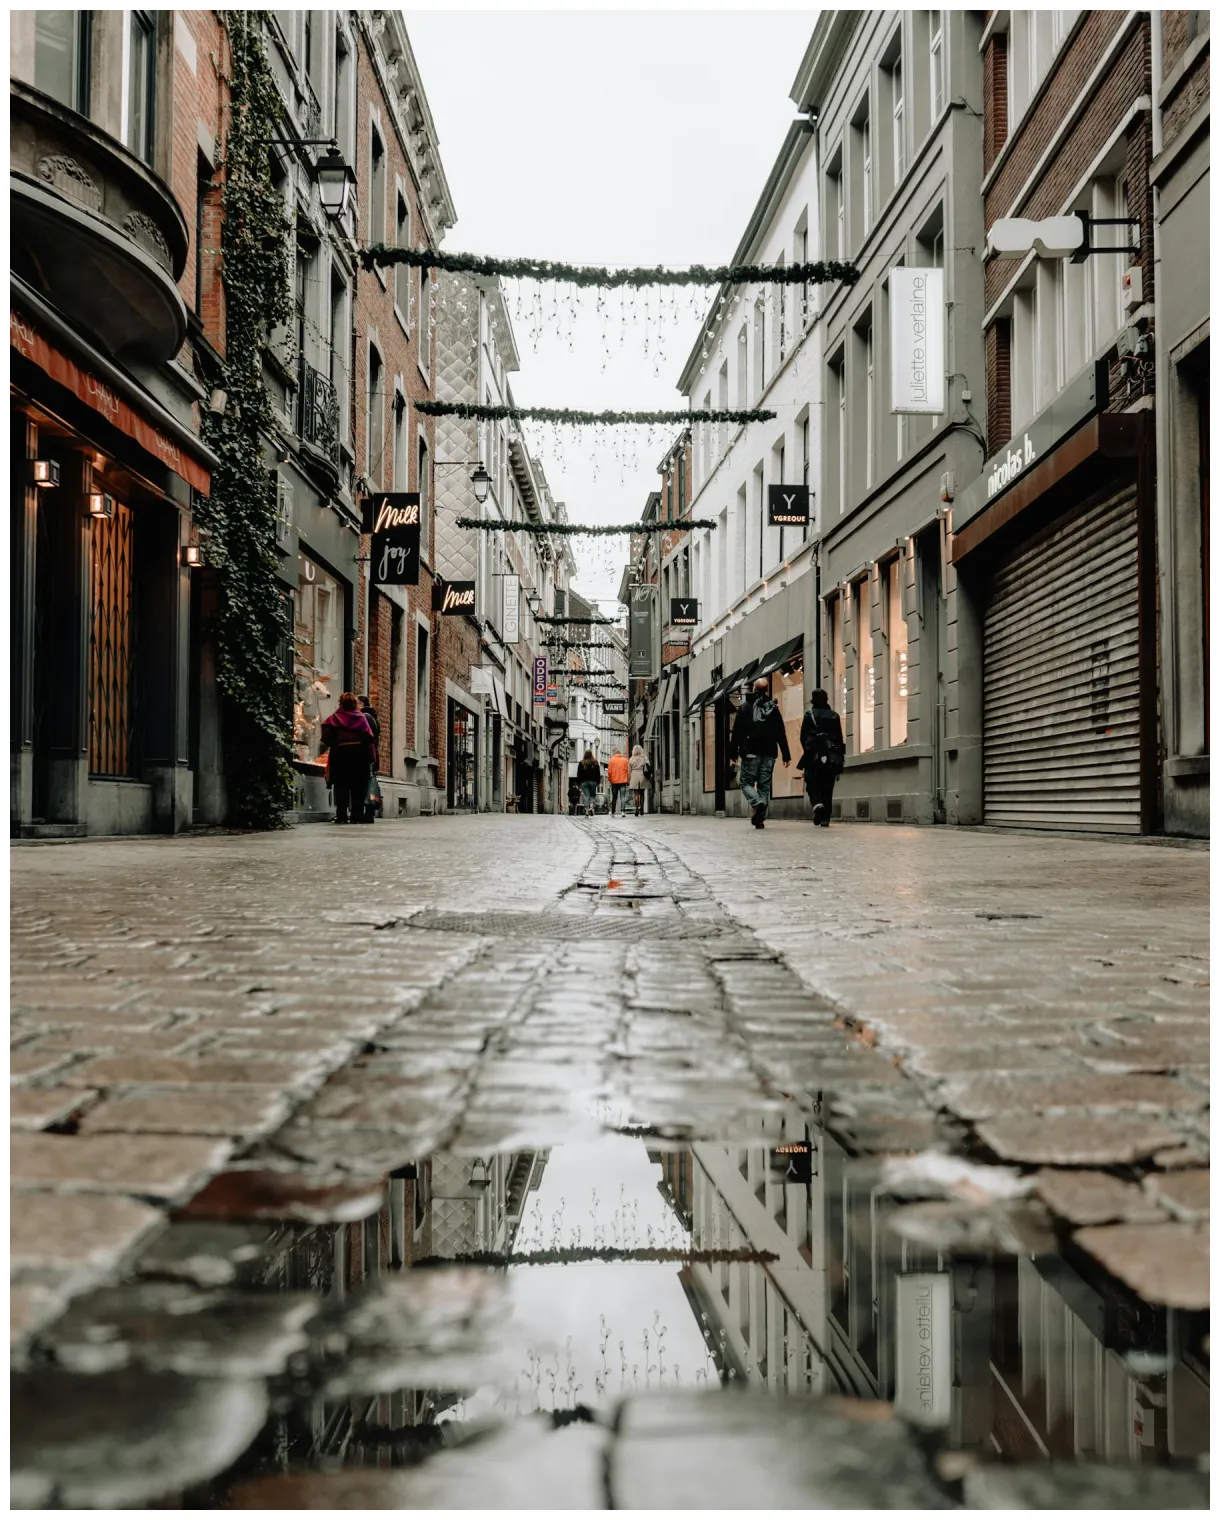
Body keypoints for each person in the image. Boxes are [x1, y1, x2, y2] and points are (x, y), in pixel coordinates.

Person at [729, 676, 791, 829]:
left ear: (754, 689)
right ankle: (760, 819)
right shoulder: (773, 708)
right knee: (764, 786)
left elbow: (736, 732)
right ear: (767, 690)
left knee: (745, 782)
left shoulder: (744, 708)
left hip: (751, 751)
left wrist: (733, 753)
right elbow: (780, 732)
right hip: (769, 752)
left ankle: (758, 803)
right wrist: (786, 754)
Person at [321, 693, 377, 825]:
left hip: (340, 755)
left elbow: (326, 737)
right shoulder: (361, 719)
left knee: (341, 786)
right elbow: (369, 740)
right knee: (359, 786)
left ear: (341, 703)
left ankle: (341, 816)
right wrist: (372, 757)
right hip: (359, 755)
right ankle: (356, 816)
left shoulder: (335, 718)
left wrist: (335, 743)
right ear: (354, 704)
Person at [798, 688, 845, 827]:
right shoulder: (834, 716)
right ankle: (826, 818)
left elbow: (803, 737)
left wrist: (808, 749)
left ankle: (818, 805)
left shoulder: (809, 715)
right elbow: (839, 738)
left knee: (812, 783)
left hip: (813, 755)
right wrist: (840, 758)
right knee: (828, 787)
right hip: (830, 756)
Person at [359, 697, 382, 824]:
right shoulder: (373, 716)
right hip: (372, 754)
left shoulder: (365, 717)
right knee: (369, 783)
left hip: (367, 754)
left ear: (362, 704)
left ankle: (367, 812)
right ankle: (369, 812)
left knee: (365, 784)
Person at [575, 749, 601, 817]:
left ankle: (586, 811)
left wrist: (578, 782)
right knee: (592, 795)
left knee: (586, 796)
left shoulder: (581, 763)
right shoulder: (595, 762)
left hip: (584, 782)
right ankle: (591, 808)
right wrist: (598, 782)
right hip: (593, 781)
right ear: (591, 755)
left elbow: (579, 773)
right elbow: (598, 773)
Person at [628, 743, 648, 817]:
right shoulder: (644, 758)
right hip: (642, 775)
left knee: (636, 793)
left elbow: (629, 770)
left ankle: (636, 809)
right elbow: (648, 765)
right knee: (642, 794)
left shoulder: (631, 759)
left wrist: (628, 779)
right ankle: (642, 808)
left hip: (634, 776)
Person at [607, 748, 629, 814]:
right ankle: (623, 811)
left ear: (614, 754)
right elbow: (628, 771)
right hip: (623, 781)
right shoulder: (625, 760)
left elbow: (609, 772)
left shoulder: (611, 760)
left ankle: (613, 811)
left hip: (614, 782)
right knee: (622, 796)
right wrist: (627, 780)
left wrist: (610, 780)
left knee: (614, 797)